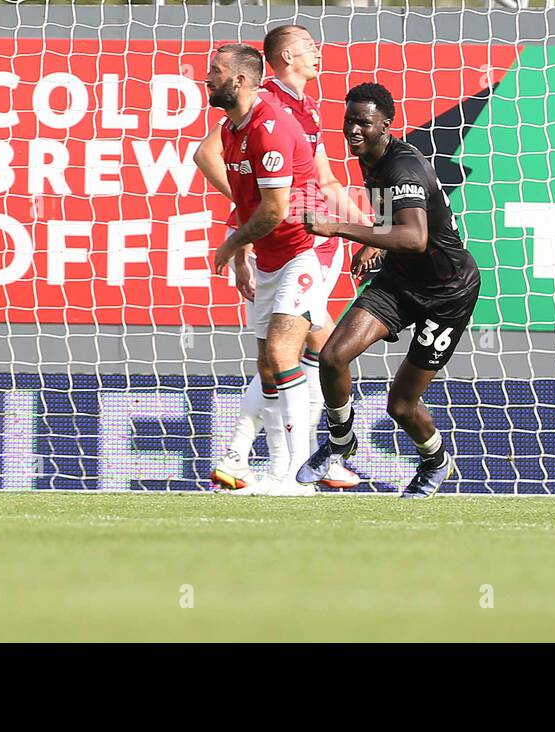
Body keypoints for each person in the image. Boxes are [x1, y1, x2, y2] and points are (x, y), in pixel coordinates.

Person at [298, 82, 480, 498]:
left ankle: (435, 462)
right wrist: (370, 244)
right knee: (333, 356)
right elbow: (390, 219)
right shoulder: (373, 159)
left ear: (386, 124)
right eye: (348, 122)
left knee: (400, 406)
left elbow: (415, 238)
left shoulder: (403, 167)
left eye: (363, 122)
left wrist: (339, 227)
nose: (353, 130)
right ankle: (341, 440)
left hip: (447, 293)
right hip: (400, 281)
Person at [196, 25, 358, 491]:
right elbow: (207, 157)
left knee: (296, 353)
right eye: (310, 46)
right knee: (311, 355)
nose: (319, 52)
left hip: (312, 242)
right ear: (286, 55)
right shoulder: (258, 105)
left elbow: (325, 183)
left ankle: (277, 463)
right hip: (277, 240)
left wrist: (373, 231)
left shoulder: (301, 108)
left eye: (214, 71)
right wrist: (253, 224)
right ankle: (290, 461)